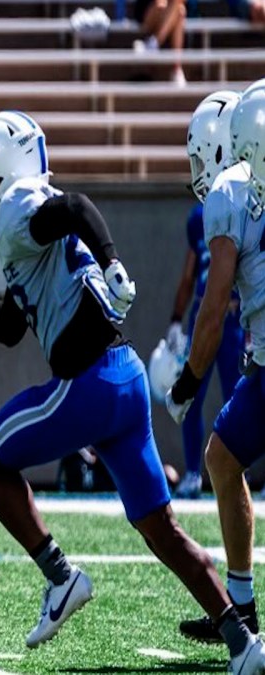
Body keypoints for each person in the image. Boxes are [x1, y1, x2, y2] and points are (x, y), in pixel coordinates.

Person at [0, 110, 265, 673]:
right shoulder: (27, 225)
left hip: (87, 385)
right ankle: (242, 642)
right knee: (162, 528)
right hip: (124, 378)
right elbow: (13, 326)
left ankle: (61, 577)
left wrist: (111, 261)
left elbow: (77, 206)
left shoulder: (17, 208)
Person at [168, 80, 265, 648]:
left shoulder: (231, 192)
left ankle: (244, 606)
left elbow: (212, 306)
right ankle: (242, 605)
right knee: (222, 459)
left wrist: (188, 379)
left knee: (221, 460)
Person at [168, 90, 247, 499]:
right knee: (218, 411)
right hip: (215, 309)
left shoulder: (227, 198)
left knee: (238, 395)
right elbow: (190, 275)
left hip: (229, 313)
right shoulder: (203, 213)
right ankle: (197, 473)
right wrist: (176, 321)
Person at [133, 0, 187, 87]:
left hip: (168, 13)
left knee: (180, 11)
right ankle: (177, 68)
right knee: (165, 6)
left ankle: (154, 42)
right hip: (148, 11)